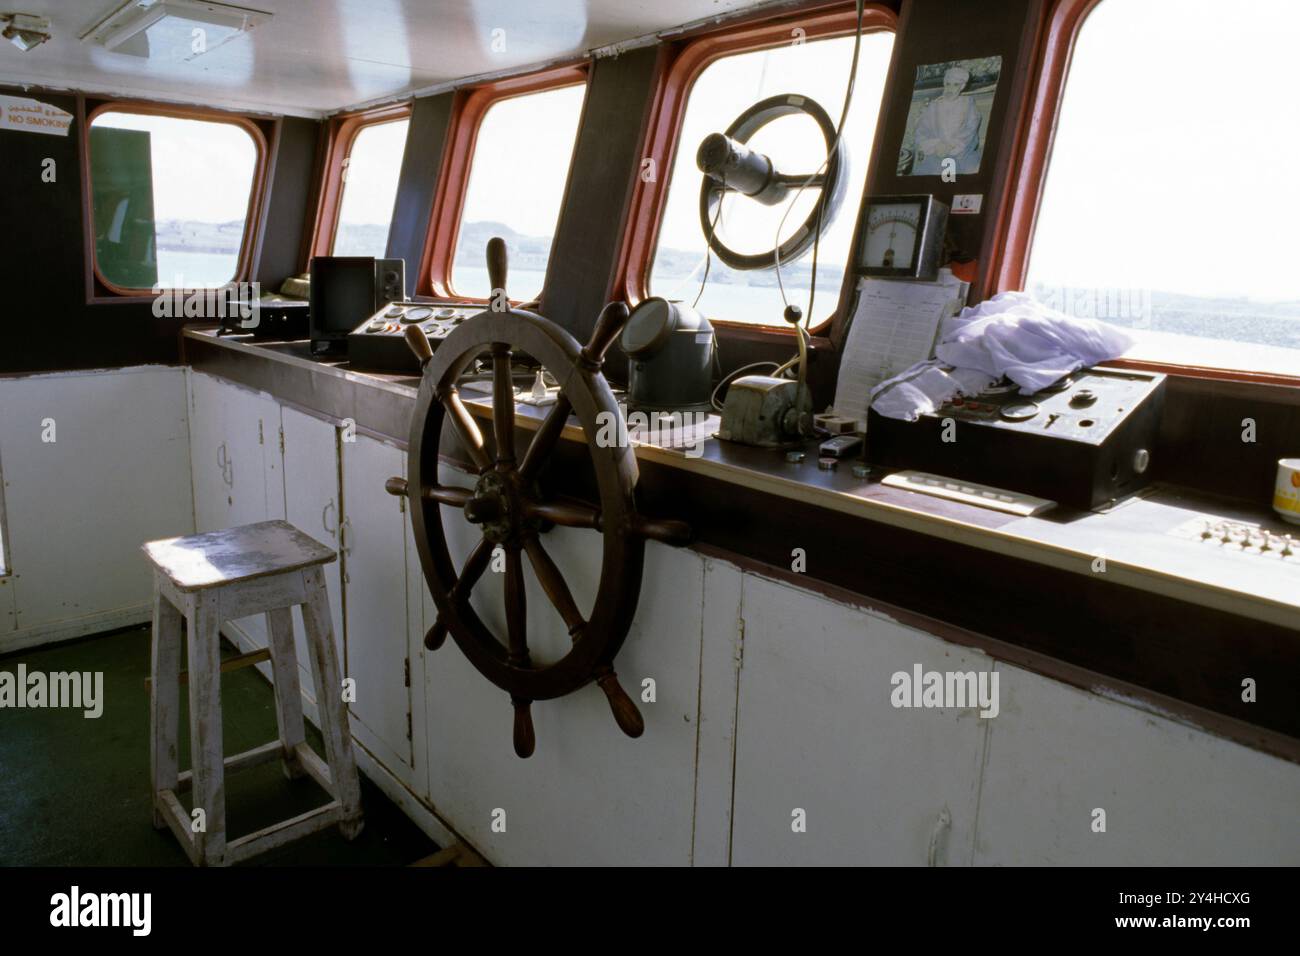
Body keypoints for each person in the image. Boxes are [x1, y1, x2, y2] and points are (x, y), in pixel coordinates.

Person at [911, 65, 983, 175]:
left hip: (962, 154)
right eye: (948, 84)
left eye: (955, 85)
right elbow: (921, 131)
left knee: (954, 176)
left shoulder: (968, 104)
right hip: (936, 153)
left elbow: (971, 131)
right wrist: (936, 145)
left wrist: (951, 146)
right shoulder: (933, 106)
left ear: (962, 86)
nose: (950, 89)